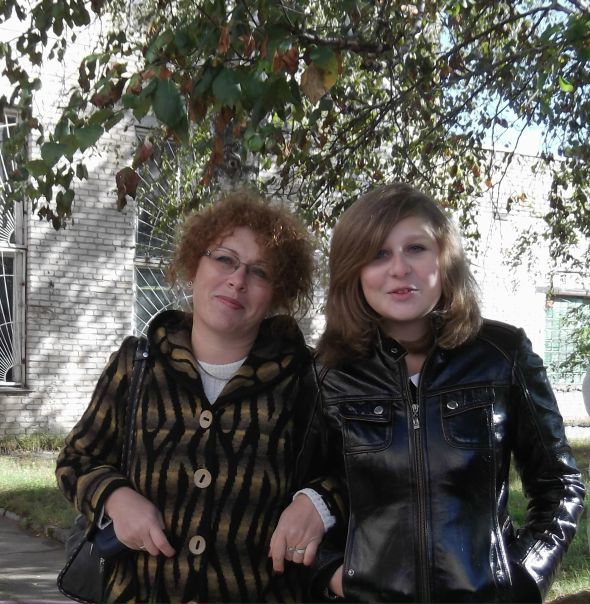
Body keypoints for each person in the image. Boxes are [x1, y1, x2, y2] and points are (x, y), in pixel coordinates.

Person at [279, 183, 585, 604]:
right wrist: (335, 577)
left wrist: (520, 580)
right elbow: (298, 496)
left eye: (416, 248)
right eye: (378, 254)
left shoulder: (502, 355)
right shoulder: (328, 374)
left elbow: (559, 485)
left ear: (444, 259)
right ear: (354, 271)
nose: (399, 268)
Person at [55, 188, 325, 604]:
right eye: (224, 259)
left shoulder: (305, 378)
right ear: (194, 264)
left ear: (278, 291)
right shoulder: (136, 364)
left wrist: (316, 503)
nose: (237, 280)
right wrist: (115, 498)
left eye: (260, 272)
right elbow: (76, 460)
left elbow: (346, 475)